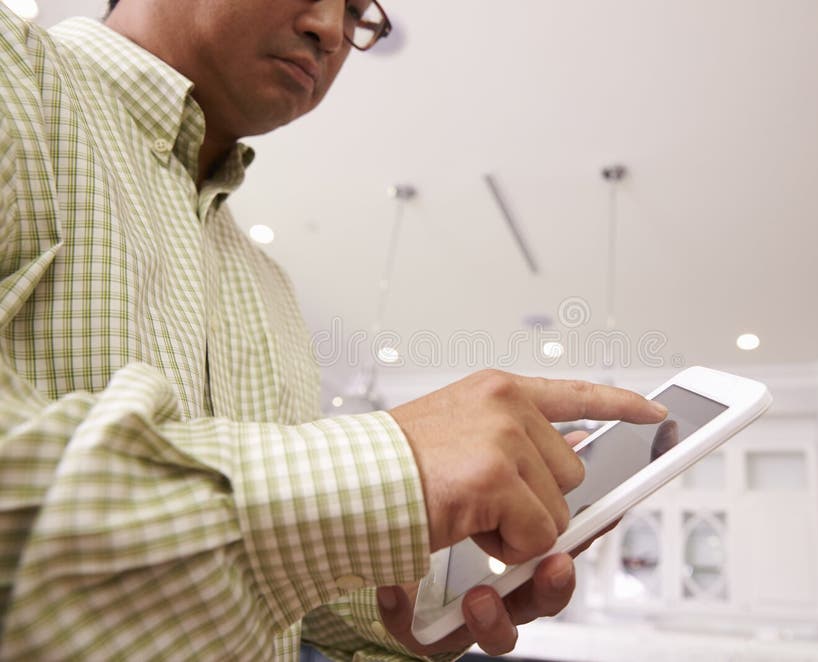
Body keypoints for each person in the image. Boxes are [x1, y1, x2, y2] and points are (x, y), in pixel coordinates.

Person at [0, 1, 668, 660]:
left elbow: (290, 603)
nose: (329, 31)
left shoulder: (267, 286)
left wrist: (398, 612)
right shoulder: (15, 75)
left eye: (354, 13)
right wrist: (391, 463)